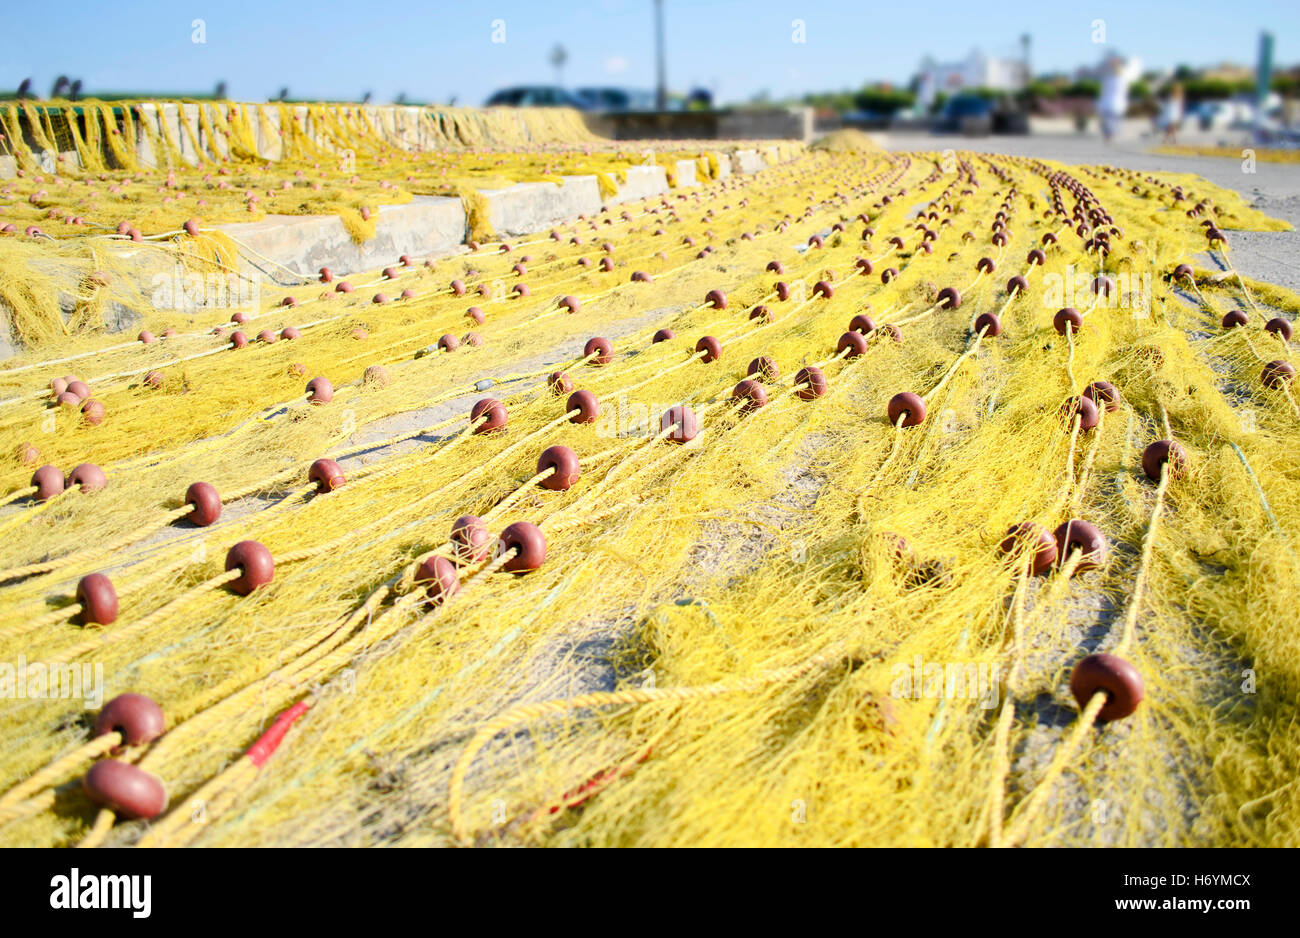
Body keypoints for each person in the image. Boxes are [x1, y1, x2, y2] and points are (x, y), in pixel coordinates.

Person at [1097, 54, 1141, 143]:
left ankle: (1109, 134)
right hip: (1116, 104)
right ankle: (1110, 134)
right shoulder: (1122, 81)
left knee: (1109, 121)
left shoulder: (1110, 80)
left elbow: (1104, 92)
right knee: (1114, 121)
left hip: (1109, 104)